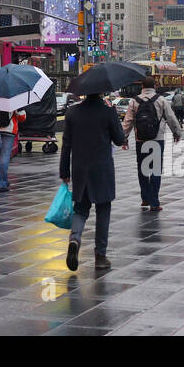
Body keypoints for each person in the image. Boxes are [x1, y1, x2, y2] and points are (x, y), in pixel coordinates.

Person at [59, 92, 128, 272]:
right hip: (102, 169)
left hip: (80, 168)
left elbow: (66, 144)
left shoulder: (72, 113)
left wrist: (64, 171)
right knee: (103, 211)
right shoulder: (108, 112)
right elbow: (120, 139)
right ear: (101, 92)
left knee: (81, 210)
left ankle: (74, 239)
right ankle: (100, 256)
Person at [122, 77, 182, 211]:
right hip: (157, 139)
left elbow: (128, 121)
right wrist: (177, 133)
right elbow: (171, 118)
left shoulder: (134, 101)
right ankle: (154, 202)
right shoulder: (161, 100)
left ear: (142, 86)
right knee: (156, 170)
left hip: (140, 140)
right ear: (154, 86)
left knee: (142, 170)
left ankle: (145, 199)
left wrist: (124, 138)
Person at [0, 99, 25, 193]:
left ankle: (4, 181)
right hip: (9, 131)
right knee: (5, 157)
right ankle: (1, 184)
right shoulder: (14, 99)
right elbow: (22, 117)